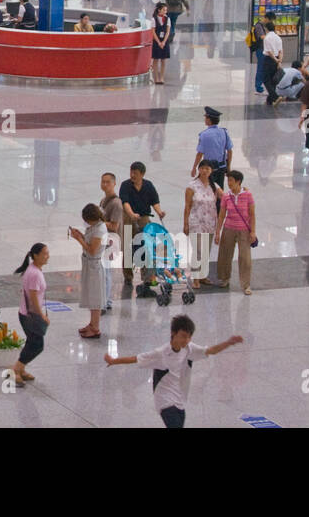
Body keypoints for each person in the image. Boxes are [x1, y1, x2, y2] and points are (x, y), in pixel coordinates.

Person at [104, 314, 243, 428]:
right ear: (173, 333)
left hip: (180, 400)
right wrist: (113, 361)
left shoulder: (190, 348)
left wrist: (228, 343)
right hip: (164, 401)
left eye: (189, 336)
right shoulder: (161, 353)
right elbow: (135, 358)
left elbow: (210, 351)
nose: (186, 340)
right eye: (183, 336)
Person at [9, 243, 49, 386]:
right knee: (37, 345)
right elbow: (32, 298)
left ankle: (21, 369)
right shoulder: (34, 274)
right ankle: (16, 369)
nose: (47, 256)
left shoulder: (33, 269)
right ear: (36, 256)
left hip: (27, 314)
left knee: (32, 342)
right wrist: (42, 315)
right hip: (30, 315)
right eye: (44, 253)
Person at [120, 162, 165, 284]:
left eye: (136, 173)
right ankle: (128, 276)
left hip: (144, 219)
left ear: (142, 174)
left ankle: (146, 276)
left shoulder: (148, 185)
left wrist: (159, 212)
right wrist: (131, 214)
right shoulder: (125, 185)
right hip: (129, 219)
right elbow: (125, 203)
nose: (132, 175)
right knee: (128, 247)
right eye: (131, 172)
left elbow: (154, 201)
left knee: (146, 247)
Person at [215, 169, 256, 295]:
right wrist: (218, 232)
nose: (229, 183)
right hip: (229, 228)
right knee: (225, 254)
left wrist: (253, 232)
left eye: (231, 181)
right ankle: (225, 278)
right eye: (228, 180)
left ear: (238, 182)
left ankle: (246, 284)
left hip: (243, 230)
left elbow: (252, 214)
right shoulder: (226, 196)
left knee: (245, 257)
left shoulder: (248, 195)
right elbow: (221, 215)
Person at [69, 206, 107, 338]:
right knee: (90, 295)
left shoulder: (100, 230)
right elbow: (88, 242)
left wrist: (78, 239)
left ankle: (95, 328)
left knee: (95, 297)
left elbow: (92, 250)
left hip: (94, 266)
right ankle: (91, 324)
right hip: (88, 263)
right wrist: (81, 235)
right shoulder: (94, 227)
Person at [183, 160, 219, 289]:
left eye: (207, 169)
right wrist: (185, 224)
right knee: (198, 250)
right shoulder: (192, 186)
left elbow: (226, 198)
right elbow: (187, 206)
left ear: (211, 171)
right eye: (202, 168)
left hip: (209, 223)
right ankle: (196, 277)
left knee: (206, 251)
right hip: (196, 222)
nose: (204, 171)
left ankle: (203, 276)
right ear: (199, 169)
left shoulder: (214, 185)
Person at [97, 172, 122, 312]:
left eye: (108, 182)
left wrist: (97, 222)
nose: (105, 184)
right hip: (103, 240)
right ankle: (106, 299)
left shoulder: (116, 204)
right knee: (103, 271)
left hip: (110, 242)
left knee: (106, 272)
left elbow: (114, 226)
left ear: (114, 183)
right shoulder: (103, 200)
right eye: (103, 182)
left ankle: (105, 302)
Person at [192, 107, 233, 188]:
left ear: (209, 120)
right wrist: (228, 167)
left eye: (206, 118)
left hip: (208, 169)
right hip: (221, 167)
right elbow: (230, 150)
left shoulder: (204, 135)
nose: (205, 119)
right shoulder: (224, 132)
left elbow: (199, 154)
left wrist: (194, 167)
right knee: (220, 190)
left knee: (208, 189)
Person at [261, 14, 283, 105]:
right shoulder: (278, 38)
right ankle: (270, 101)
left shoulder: (267, 38)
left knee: (266, 79)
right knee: (273, 80)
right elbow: (281, 51)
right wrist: (279, 61)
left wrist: (275, 59)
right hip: (277, 59)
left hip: (269, 60)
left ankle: (275, 97)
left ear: (266, 29)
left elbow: (269, 52)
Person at [150, 2, 171, 85]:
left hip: (164, 41)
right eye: (163, 10)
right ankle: (156, 78)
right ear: (159, 10)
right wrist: (159, 42)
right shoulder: (154, 19)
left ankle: (162, 77)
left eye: (166, 10)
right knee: (156, 59)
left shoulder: (167, 19)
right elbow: (153, 32)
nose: (165, 11)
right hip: (156, 41)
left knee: (163, 60)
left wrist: (164, 42)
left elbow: (168, 31)